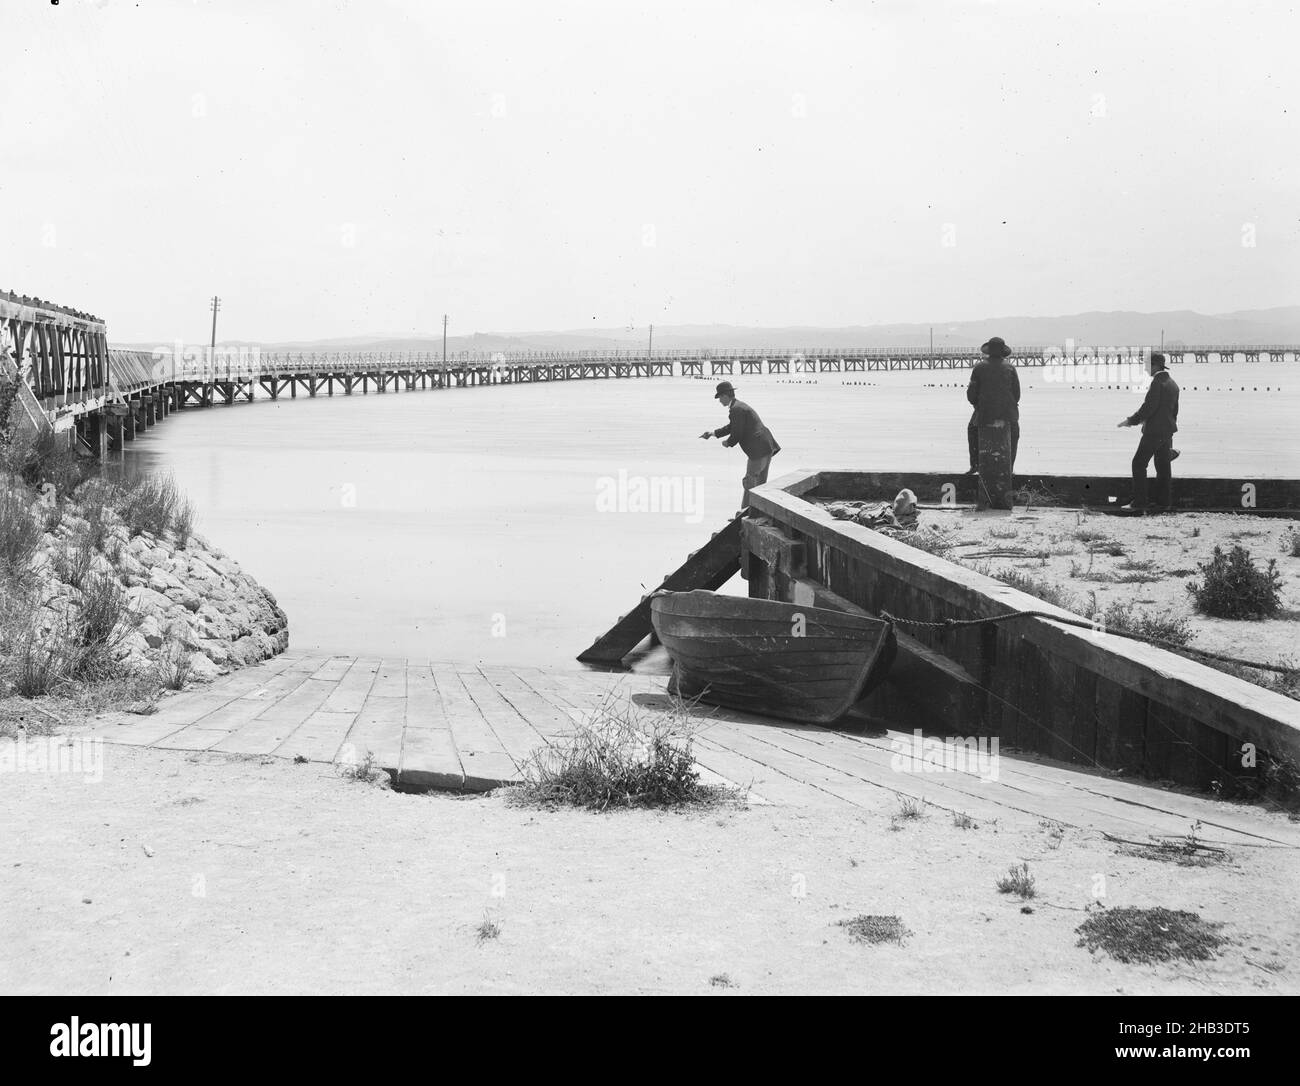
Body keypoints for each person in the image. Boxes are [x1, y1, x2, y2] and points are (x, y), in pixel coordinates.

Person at [700, 381, 781, 509]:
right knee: (759, 484)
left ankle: (745, 513)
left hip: (758, 450)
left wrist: (728, 442)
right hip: (767, 446)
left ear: (726, 396)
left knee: (750, 482)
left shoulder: (736, 409)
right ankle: (754, 512)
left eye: (720, 397)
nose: (719, 401)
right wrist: (713, 433)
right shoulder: (739, 406)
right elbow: (733, 427)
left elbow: (737, 433)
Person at [1118, 350, 1180, 512]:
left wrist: (1131, 421)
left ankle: (1140, 502)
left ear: (1155, 365)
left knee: (1138, 463)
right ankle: (1164, 503)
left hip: (1154, 432)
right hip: (1167, 432)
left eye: (1147, 366)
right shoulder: (1173, 384)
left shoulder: (1157, 383)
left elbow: (1148, 407)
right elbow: (1175, 412)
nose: (1145, 369)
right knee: (1163, 467)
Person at [966, 337, 1020, 473]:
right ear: (1003, 352)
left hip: (984, 413)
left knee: (972, 430)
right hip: (1008, 413)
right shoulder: (1010, 368)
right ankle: (1010, 466)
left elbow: (971, 395)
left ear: (988, 351)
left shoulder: (979, 367)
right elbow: (1017, 394)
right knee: (1014, 433)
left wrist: (977, 405)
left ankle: (975, 465)